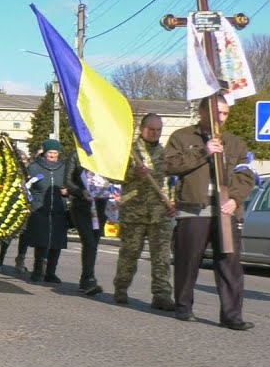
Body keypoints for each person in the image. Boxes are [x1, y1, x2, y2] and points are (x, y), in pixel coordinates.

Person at [165, 97, 256, 329]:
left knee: (230, 263)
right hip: (193, 210)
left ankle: (232, 316)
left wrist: (235, 199)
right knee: (188, 261)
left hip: (225, 212)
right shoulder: (182, 137)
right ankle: (184, 307)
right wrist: (203, 153)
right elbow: (170, 166)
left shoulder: (235, 143)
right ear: (203, 112)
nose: (221, 118)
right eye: (218, 113)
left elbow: (245, 174)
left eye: (225, 114)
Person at [112, 114, 176, 310]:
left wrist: (173, 202)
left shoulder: (166, 154)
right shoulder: (130, 151)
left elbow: (172, 181)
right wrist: (132, 173)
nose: (155, 133)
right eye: (151, 130)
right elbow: (113, 176)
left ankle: (162, 294)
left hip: (160, 213)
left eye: (159, 130)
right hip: (134, 212)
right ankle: (121, 288)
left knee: (162, 257)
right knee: (130, 253)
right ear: (142, 128)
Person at [23, 139, 74, 284]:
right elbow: (25, 187)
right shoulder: (34, 168)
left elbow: (70, 184)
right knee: (42, 241)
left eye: (55, 152)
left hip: (59, 209)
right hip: (39, 209)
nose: (52, 155)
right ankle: (38, 270)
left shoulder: (64, 168)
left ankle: (51, 272)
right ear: (44, 153)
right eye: (50, 152)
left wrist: (67, 190)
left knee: (57, 242)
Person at [69, 161, 113, 296]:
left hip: (101, 205)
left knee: (93, 243)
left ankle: (85, 279)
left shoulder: (104, 155)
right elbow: (68, 182)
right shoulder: (76, 154)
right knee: (88, 242)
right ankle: (89, 279)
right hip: (82, 206)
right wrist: (81, 192)